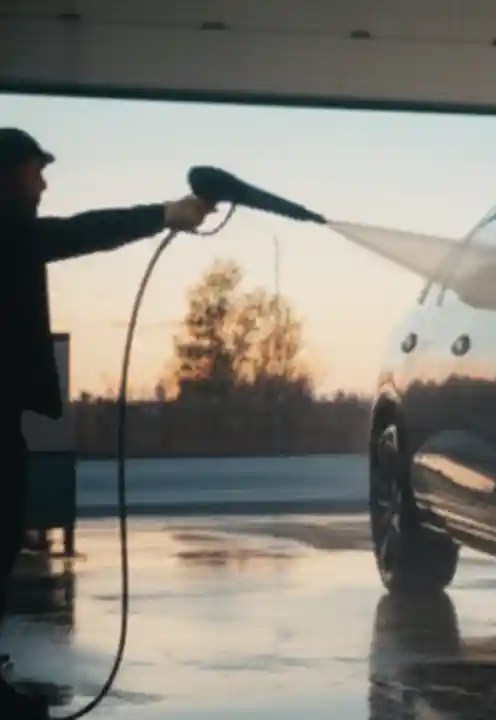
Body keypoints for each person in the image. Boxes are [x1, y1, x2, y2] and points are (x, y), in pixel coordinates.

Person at [1, 127, 214, 718]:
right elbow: (80, 232)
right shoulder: (7, 231)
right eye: (33, 171)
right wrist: (164, 214)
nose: (42, 183)